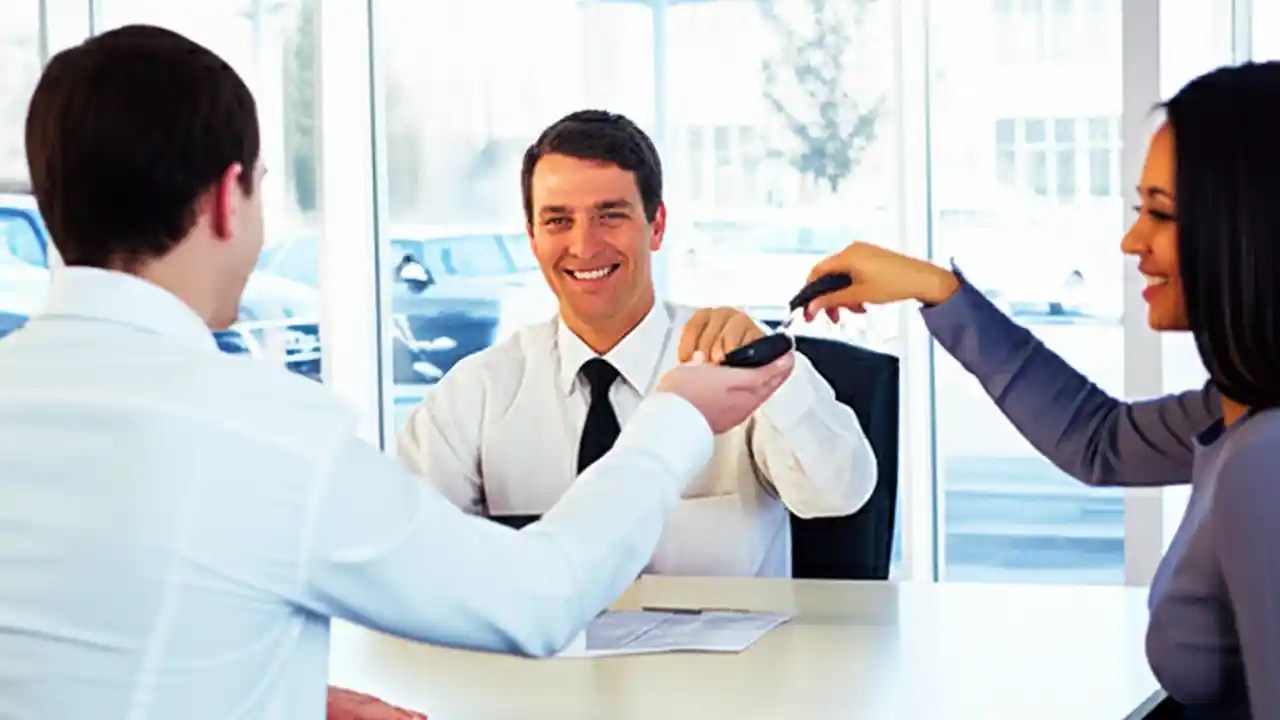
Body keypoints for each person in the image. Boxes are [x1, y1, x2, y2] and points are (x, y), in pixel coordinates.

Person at [0, 26, 794, 719]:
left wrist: (279, 695)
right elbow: (536, 602)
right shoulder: (266, 431)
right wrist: (677, 420)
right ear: (224, 200)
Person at [803, 61, 1280, 719]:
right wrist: (934, 288)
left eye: (1160, 214)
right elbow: (1099, 440)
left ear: (1250, 231)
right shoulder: (1241, 411)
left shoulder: (1266, 454)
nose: (1131, 240)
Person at [398, 110, 877, 578]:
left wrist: (774, 378)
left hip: (725, 660)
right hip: (542, 658)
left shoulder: (733, 367)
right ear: (532, 236)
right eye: (558, 221)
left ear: (657, 225)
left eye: (610, 215)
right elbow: (412, 554)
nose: (584, 246)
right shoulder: (475, 393)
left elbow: (840, 492)